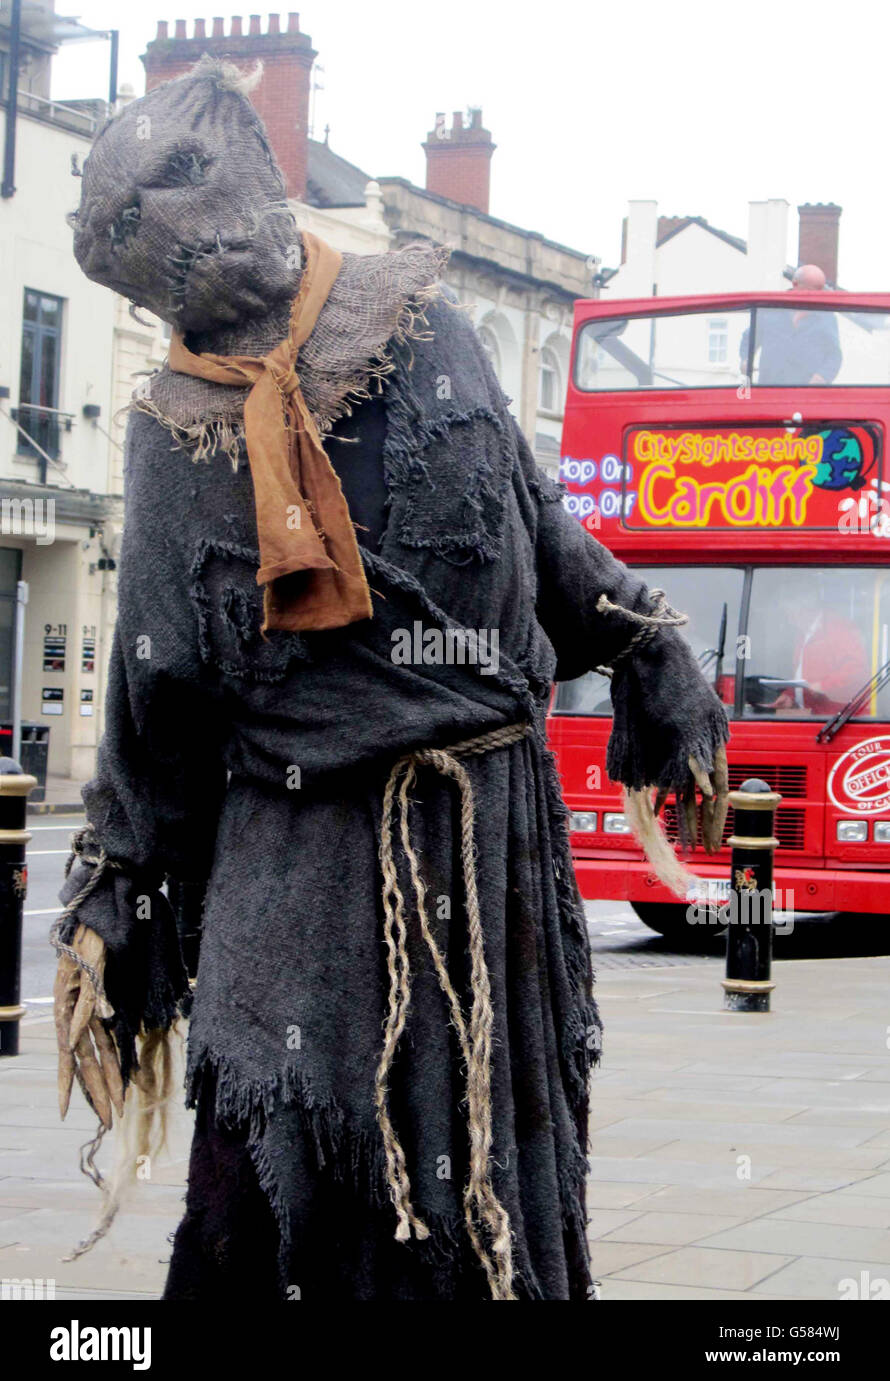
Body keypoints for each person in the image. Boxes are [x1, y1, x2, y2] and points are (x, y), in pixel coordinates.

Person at [52, 57, 729, 1301]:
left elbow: (542, 537)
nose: (160, 233)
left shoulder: (430, 327)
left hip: (486, 857)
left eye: (181, 180)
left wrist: (650, 643)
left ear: (258, 160)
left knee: (481, 1191)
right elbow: (157, 703)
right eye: (119, 230)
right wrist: (119, 891)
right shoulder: (172, 429)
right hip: (294, 870)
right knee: (273, 1171)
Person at [740, 264, 842, 386]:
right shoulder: (770, 310)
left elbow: (834, 356)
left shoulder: (826, 317)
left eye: (819, 290)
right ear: (795, 284)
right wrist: (746, 360)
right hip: (770, 390)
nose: (816, 295)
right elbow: (749, 339)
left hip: (808, 394)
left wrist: (822, 377)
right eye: (811, 290)